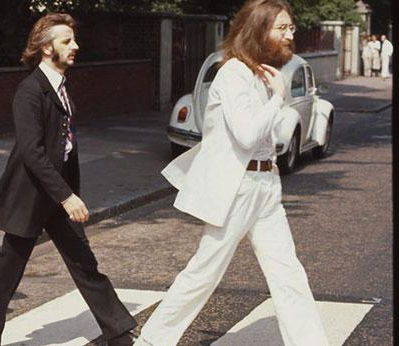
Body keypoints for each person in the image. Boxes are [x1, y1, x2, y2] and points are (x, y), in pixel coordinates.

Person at [135, 1, 328, 345]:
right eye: (281, 28)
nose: (289, 35)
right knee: (204, 272)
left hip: (265, 184)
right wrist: (278, 98)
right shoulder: (233, 73)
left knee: (288, 273)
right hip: (238, 186)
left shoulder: (258, 72)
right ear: (258, 30)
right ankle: (152, 340)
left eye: (291, 28)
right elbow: (247, 134)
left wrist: (275, 97)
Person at [0, 13, 138, 346]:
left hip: (56, 196)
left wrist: (67, 193)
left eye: (73, 40)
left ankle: (118, 331)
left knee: (84, 262)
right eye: (66, 41)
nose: (75, 46)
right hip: (30, 196)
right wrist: (67, 196)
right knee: (7, 272)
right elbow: (32, 153)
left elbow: (64, 145)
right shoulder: (30, 91)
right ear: (47, 48)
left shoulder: (59, 85)